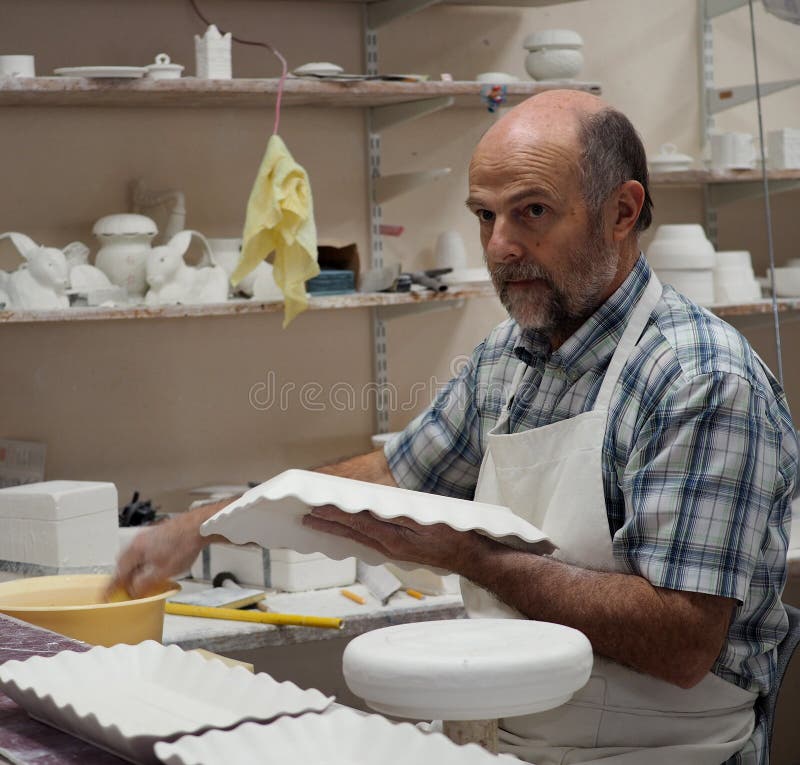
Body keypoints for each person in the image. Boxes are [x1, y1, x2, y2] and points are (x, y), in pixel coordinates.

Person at [113, 90, 797, 765]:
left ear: (622, 211)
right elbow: (391, 476)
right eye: (484, 216)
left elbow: (681, 643)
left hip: (664, 751)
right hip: (512, 733)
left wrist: (472, 556)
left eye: (532, 211)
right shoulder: (508, 358)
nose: (501, 246)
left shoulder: (700, 379)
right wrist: (203, 524)